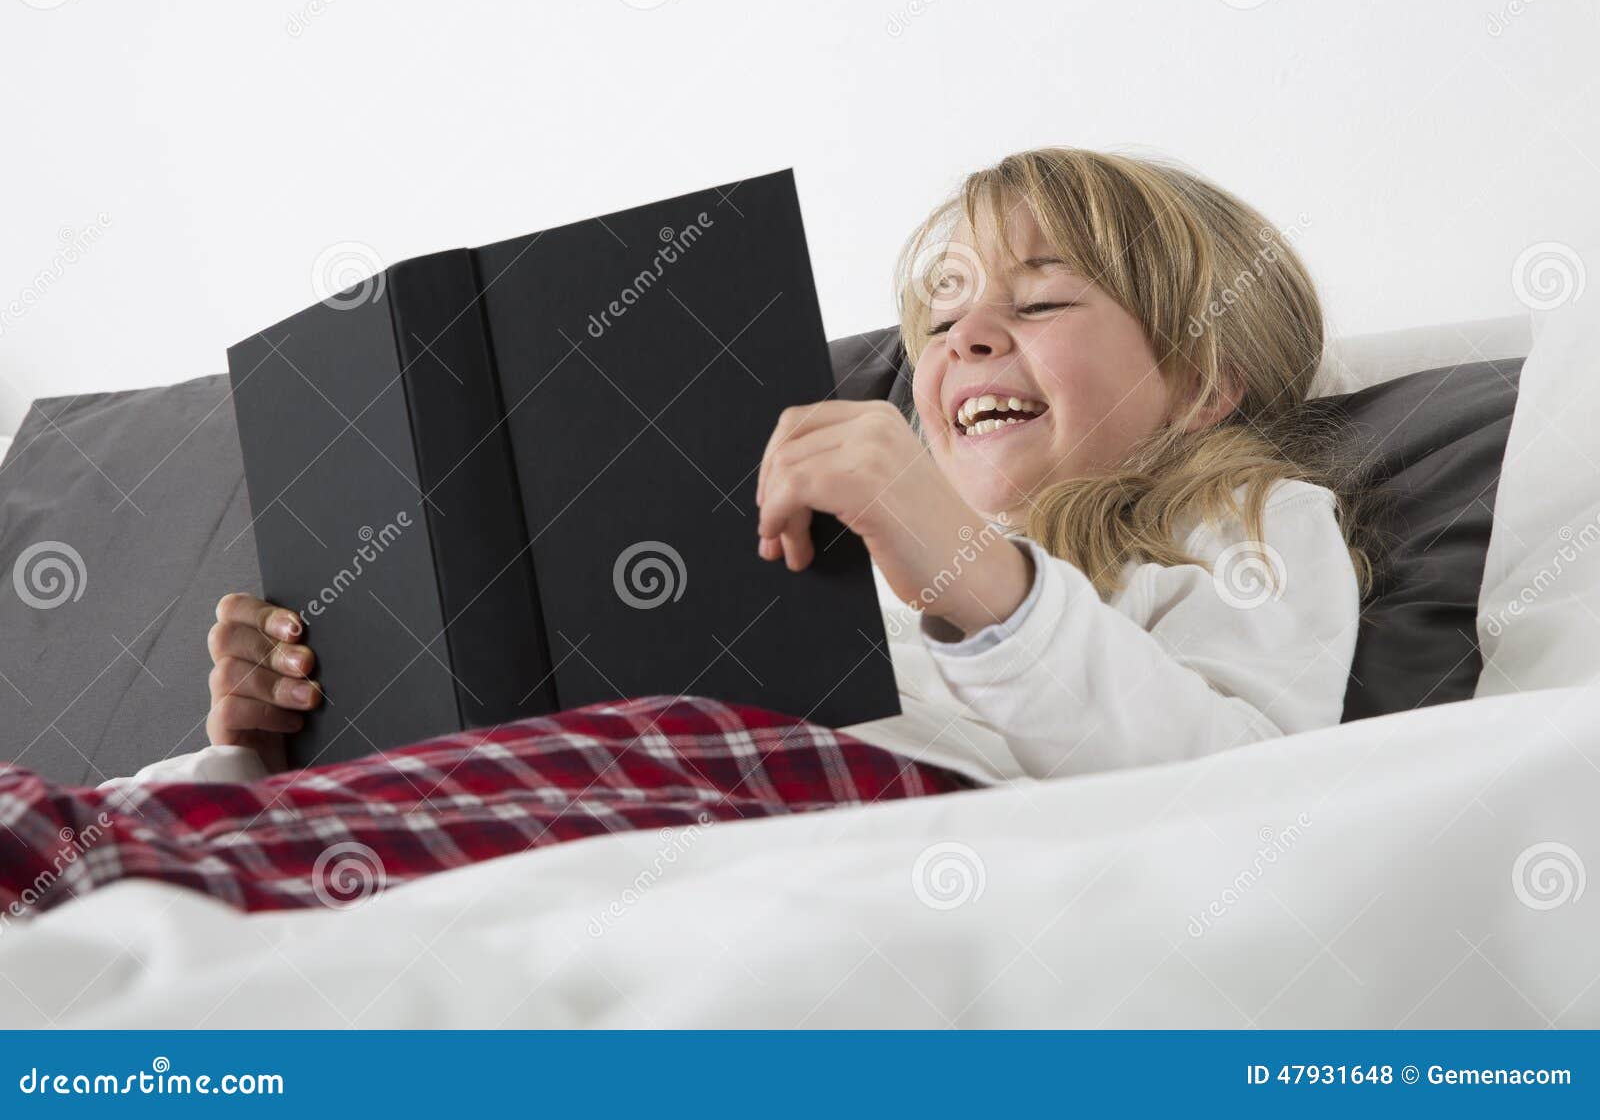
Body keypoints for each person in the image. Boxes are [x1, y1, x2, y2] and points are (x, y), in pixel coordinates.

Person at [198, 147, 1368, 783]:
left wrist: (967, 567)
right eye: (943, 308)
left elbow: (1245, 791)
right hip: (590, 780)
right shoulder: (821, 537)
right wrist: (269, 742)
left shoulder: (1240, 516)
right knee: (154, 841)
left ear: (1206, 382)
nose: (964, 335)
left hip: (822, 802)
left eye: (1045, 297)